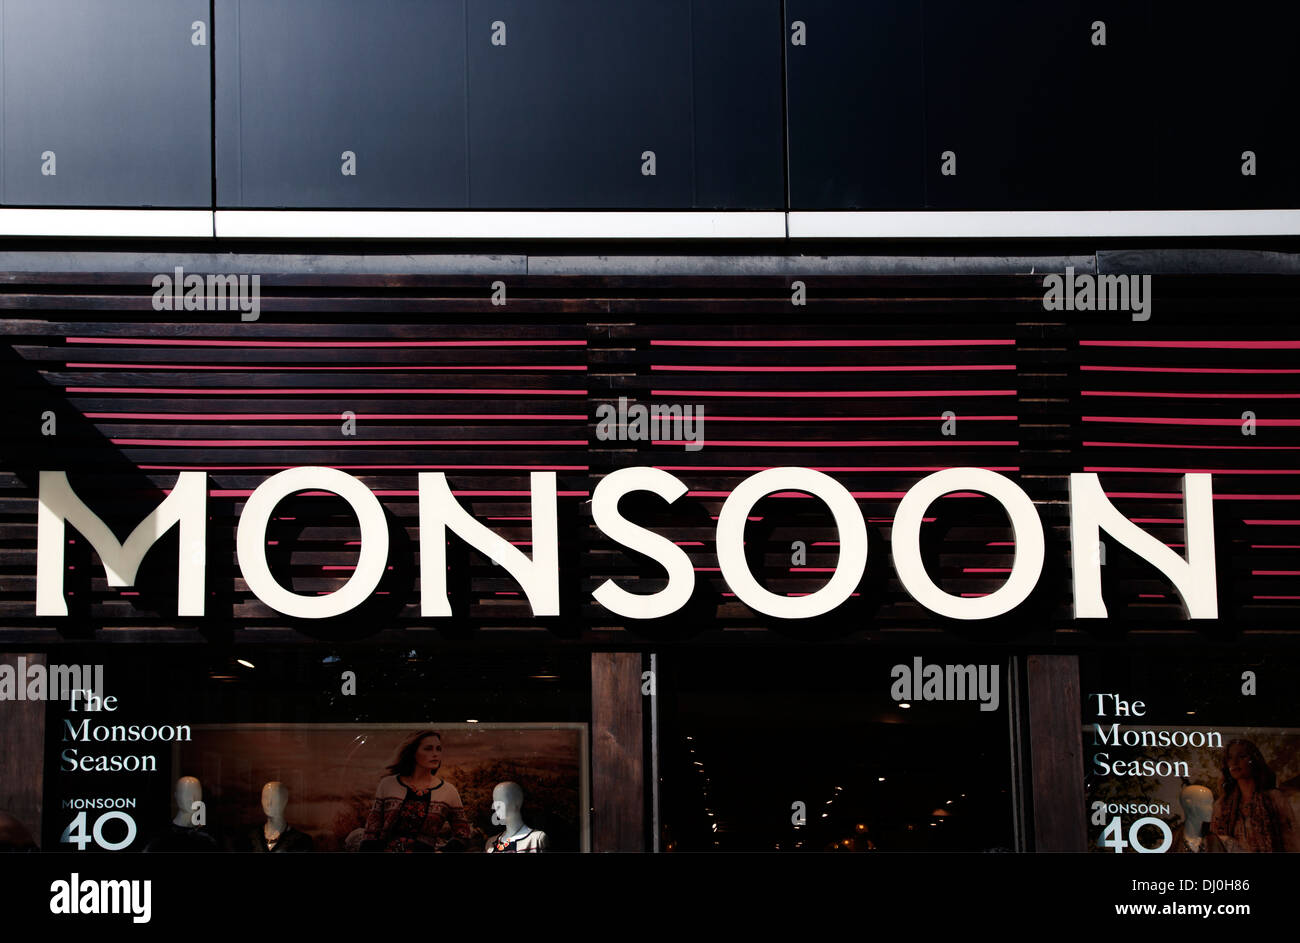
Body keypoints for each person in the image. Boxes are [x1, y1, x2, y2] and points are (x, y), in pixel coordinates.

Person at [360, 730, 472, 853]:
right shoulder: (388, 784)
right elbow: (371, 833)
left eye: (438, 749)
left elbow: (463, 835)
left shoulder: (448, 791)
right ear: (413, 752)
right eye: (428, 749)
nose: (435, 754)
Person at [1209, 739, 1294, 853]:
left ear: (1254, 760)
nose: (1234, 762)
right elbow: (1216, 846)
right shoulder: (1221, 805)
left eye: (1242, 756)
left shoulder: (1274, 798)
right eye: (1230, 758)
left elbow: (1291, 841)